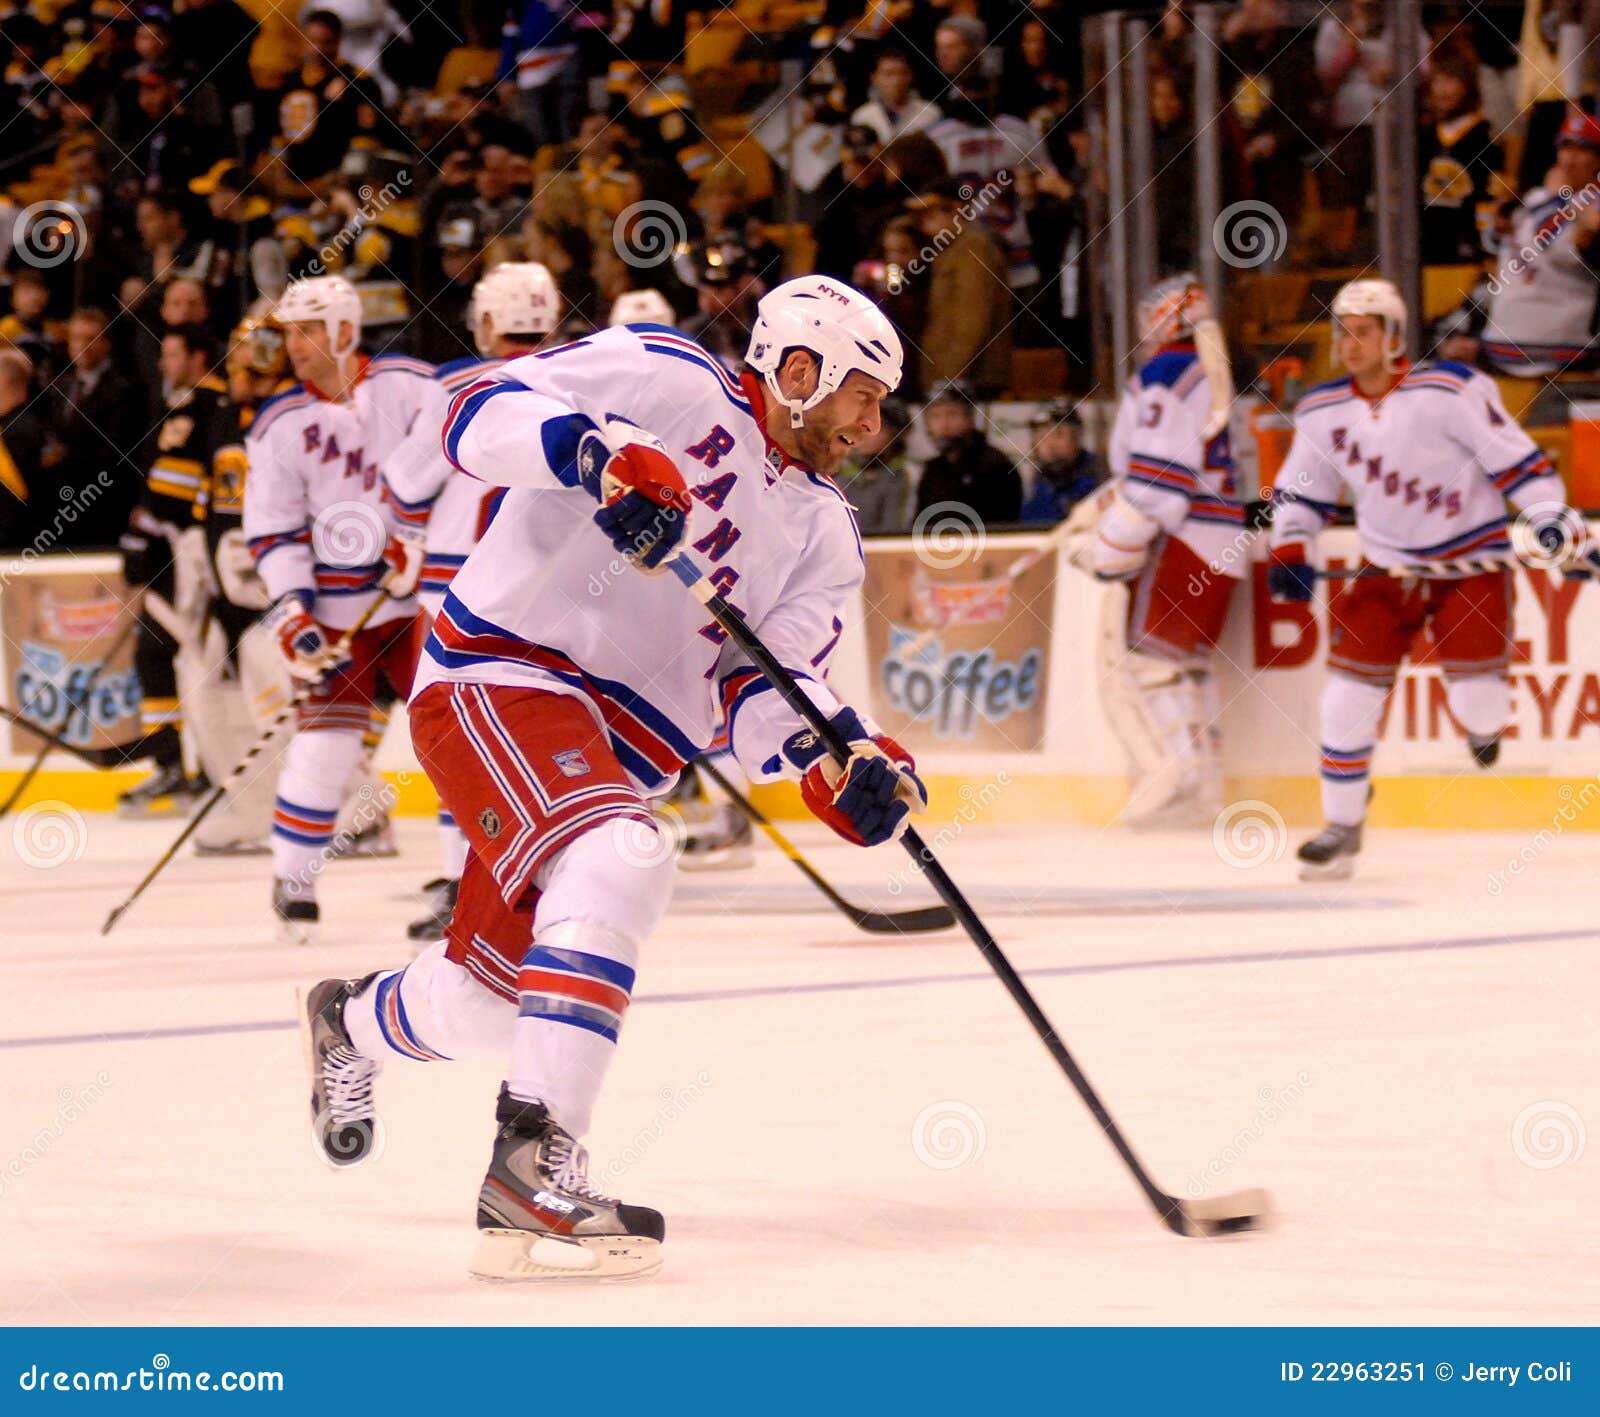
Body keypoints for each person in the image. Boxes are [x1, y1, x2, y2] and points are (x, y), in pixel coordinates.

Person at [298, 275, 925, 1282]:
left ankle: (351, 1018)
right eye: (863, 390)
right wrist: (593, 459)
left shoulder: (824, 533)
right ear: (797, 371)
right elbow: (476, 409)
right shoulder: (667, 376)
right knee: (625, 852)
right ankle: (531, 1167)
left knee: (491, 999)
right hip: (504, 675)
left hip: (608, 753)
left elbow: (762, 687)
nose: (871, 419)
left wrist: (834, 758)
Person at [1267, 277, 1586, 879]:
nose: (1350, 342)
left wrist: (1547, 516)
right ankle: (1343, 825)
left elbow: (1518, 463)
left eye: (1364, 330)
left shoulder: (1453, 390)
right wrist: (1290, 545)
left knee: (1478, 702)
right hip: (1386, 569)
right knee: (1344, 703)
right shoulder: (1321, 410)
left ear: (1393, 336)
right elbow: (1300, 494)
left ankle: (1484, 729)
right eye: (1343, 331)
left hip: (1471, 567)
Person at [242, 274, 430, 941]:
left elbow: (461, 468)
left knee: (452, 736)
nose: (292, 345)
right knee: (324, 747)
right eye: (287, 331)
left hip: (419, 605)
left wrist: (422, 542)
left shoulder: (414, 386)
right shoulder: (279, 425)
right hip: (335, 611)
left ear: (346, 331)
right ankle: (293, 877)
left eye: (307, 329)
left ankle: (471, 874)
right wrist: (291, 611)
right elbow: (272, 530)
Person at [382, 262, 562, 941]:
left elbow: (407, 478)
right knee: (545, 730)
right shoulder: (582, 375)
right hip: (554, 588)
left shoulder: (459, 381)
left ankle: (468, 884)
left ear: (488, 321)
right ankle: (545, 874)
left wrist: (400, 536)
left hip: (460, 591)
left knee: (458, 736)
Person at [1095, 275, 1244, 827]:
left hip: (1181, 537)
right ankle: (1206, 789)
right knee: (1188, 668)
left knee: (1148, 663)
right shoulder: (1211, 365)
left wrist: (1115, 538)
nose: (1146, 329)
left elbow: (1159, 482)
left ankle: (1176, 782)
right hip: (1223, 537)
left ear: (1170, 316)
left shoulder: (1166, 370)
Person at [116, 323, 235, 815]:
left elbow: (171, 493)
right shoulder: (211, 407)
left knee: (178, 656)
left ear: (198, 356)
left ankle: (191, 766)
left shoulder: (197, 409)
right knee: (169, 653)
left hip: (192, 558)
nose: (163, 365)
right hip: (198, 555)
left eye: (172, 355)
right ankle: (191, 765)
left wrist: (143, 523)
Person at [1480, 109, 1600, 377]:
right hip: (1502, 344)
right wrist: (1499, 224)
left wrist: (1559, 199)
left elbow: (1550, 242)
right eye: (1565, 147)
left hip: (1560, 348)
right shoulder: (1536, 198)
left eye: (1582, 150)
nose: (1569, 159)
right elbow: (1491, 244)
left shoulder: (1590, 206)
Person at [914, 381, 1021, 526]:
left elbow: (1001, 528)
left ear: (969, 417)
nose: (943, 425)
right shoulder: (933, 470)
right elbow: (919, 525)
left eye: (952, 414)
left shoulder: (996, 467)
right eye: (935, 416)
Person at [1019, 400, 1105, 524]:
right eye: (1041, 436)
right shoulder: (1040, 481)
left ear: (1077, 436)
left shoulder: (1098, 476)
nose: (1050, 444)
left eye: (1058, 434)